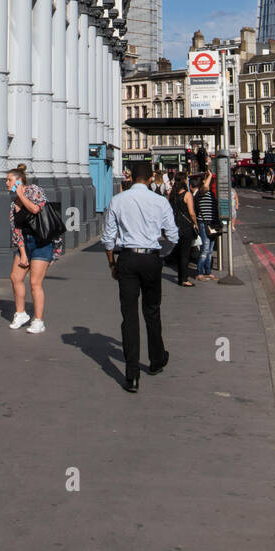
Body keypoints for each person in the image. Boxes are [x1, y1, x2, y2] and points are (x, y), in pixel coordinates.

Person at [102, 159, 179, 392]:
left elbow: (108, 238)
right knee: (152, 311)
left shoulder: (117, 200)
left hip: (127, 258)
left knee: (129, 316)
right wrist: (161, 256)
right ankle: (156, 361)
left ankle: (132, 375)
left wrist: (112, 264)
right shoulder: (160, 202)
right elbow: (173, 236)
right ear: (148, 179)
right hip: (151, 258)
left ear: (131, 177)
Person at [7, 164, 54, 334]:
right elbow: (16, 230)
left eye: (9, 180)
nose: (6, 183)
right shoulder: (13, 204)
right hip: (25, 244)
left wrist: (21, 194)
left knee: (35, 282)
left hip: (42, 242)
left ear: (19, 181)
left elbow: (36, 208)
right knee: (15, 277)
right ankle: (21, 314)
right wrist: (24, 254)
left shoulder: (35, 190)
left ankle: (39, 321)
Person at [169, 172, 198, 287]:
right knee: (185, 253)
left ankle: (181, 277)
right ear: (184, 180)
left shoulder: (172, 195)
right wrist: (195, 223)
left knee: (180, 252)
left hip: (176, 226)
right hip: (186, 227)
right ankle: (184, 279)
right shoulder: (187, 195)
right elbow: (191, 212)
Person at [194, 170, 220, 282]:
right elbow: (205, 186)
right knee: (205, 248)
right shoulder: (201, 192)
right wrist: (209, 176)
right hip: (204, 223)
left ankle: (208, 272)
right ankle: (199, 272)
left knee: (209, 250)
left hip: (212, 223)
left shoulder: (212, 194)